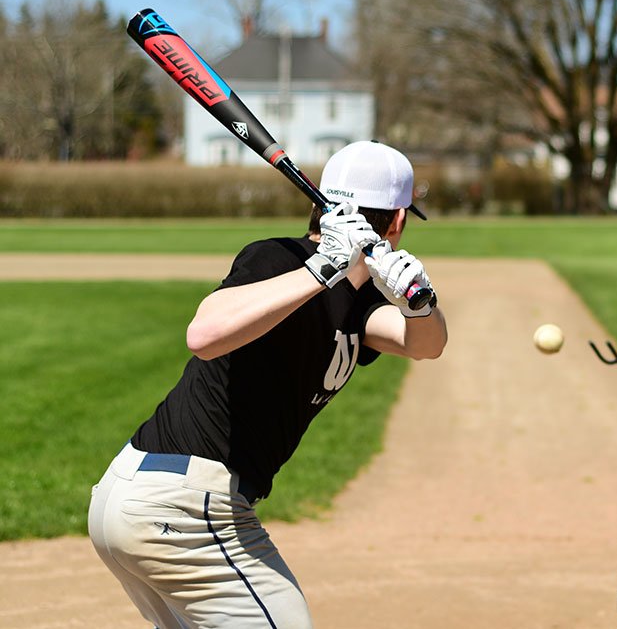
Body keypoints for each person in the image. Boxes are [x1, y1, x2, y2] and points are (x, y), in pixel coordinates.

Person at [88, 140, 447, 628]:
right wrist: (320, 269)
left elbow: (425, 343)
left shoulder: (358, 304)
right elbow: (204, 335)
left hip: (146, 498)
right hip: (186, 507)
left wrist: (420, 302)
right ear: (399, 220)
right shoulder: (277, 260)